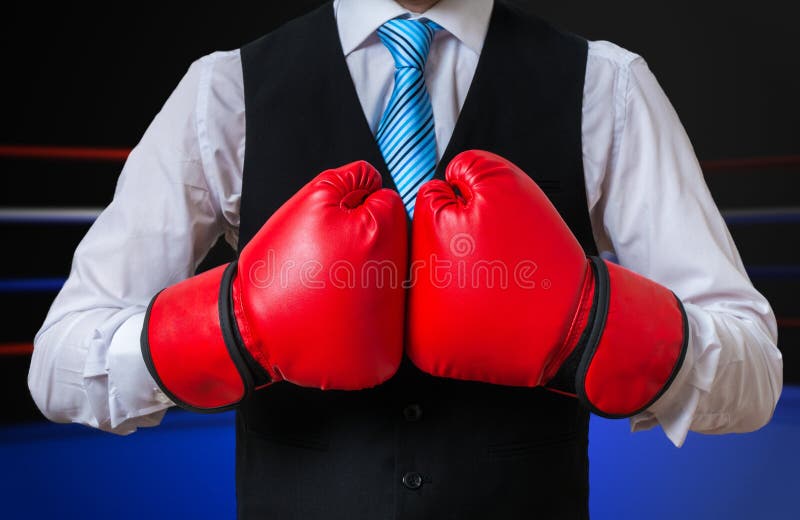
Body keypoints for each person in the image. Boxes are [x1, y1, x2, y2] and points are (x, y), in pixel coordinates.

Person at [28, 0, 782, 518]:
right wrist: (232, 328)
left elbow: (753, 374)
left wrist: (591, 330)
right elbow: (59, 363)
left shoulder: (605, 88)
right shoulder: (224, 93)